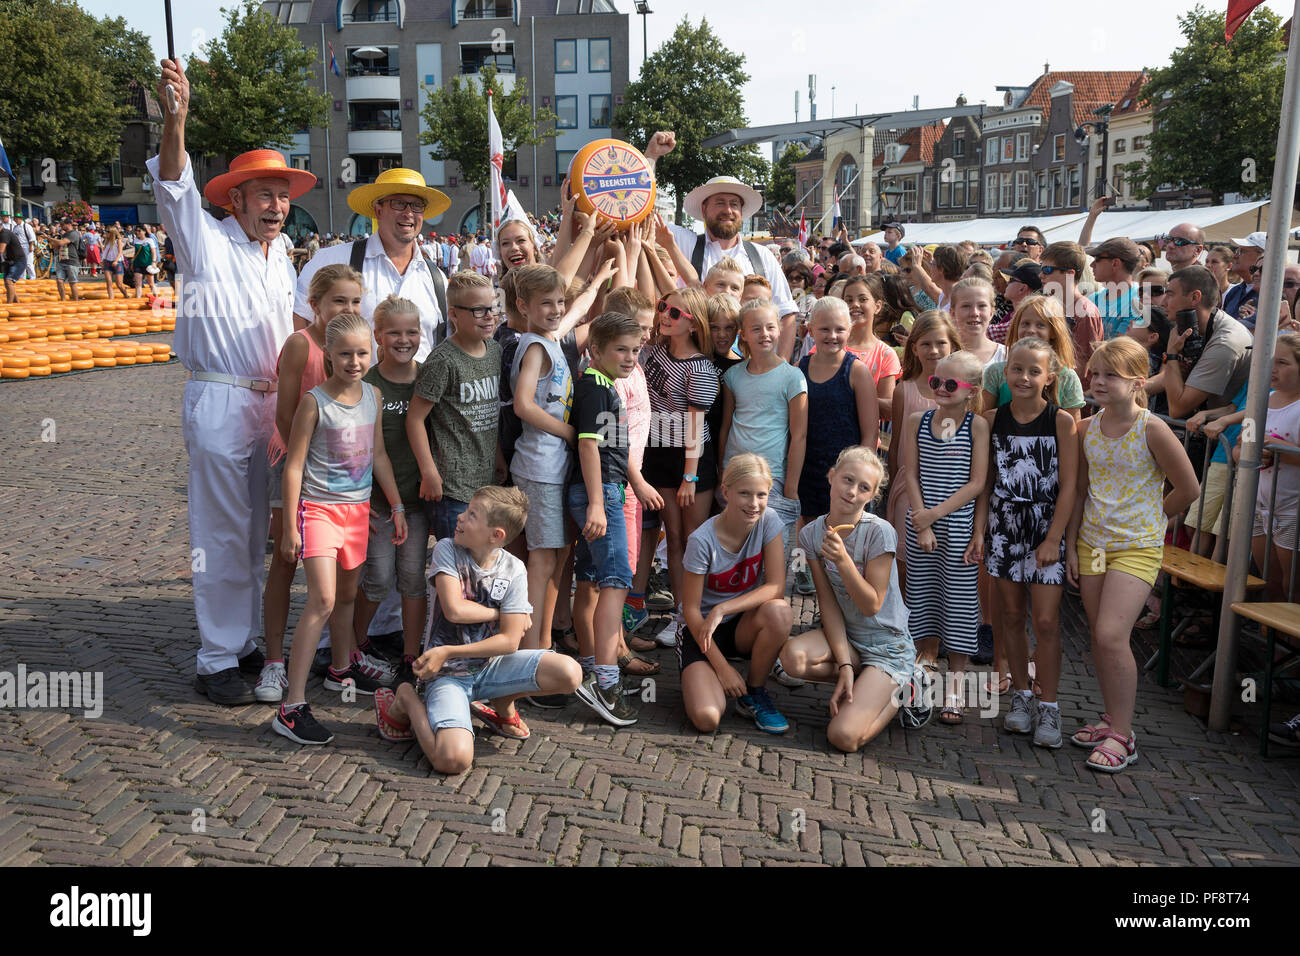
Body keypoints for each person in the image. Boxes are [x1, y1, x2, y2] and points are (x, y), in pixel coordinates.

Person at [148, 57, 317, 704]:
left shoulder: (281, 259)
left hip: (273, 407)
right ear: (236, 198)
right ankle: (217, 656)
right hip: (220, 396)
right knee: (220, 531)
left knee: (257, 531)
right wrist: (176, 119)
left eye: (283, 196)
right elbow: (173, 185)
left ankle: (245, 640)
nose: (277, 206)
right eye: (264, 194)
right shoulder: (204, 240)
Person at [273, 313, 409, 745]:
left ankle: (340, 668)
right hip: (318, 512)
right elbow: (293, 466)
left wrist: (398, 504)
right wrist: (290, 527)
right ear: (328, 354)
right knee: (323, 599)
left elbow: (380, 456)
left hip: (359, 512)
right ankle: (292, 705)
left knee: (348, 596)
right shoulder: (314, 402)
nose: (354, 361)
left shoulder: (372, 394)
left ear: (374, 352)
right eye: (345, 353)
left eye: (362, 353)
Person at [374, 487, 583, 767]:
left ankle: (501, 705)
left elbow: (510, 642)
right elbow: (455, 610)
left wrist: (450, 648)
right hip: (446, 675)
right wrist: (504, 613)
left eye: (472, 515)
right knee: (453, 761)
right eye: (466, 510)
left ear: (496, 535)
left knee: (570, 672)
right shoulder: (447, 549)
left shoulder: (515, 569)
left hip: (492, 667)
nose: (460, 517)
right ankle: (409, 699)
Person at [1066, 338, 1198, 772]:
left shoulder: (1152, 428)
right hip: (1094, 545)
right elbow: (1080, 492)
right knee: (1100, 636)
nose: (1098, 381)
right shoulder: (1084, 428)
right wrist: (1070, 545)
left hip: (1136, 548)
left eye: (1109, 375)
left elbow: (1189, 488)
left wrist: (1152, 520)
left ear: (1137, 382)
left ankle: (1123, 735)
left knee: (1110, 634)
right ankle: (1112, 720)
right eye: (1095, 373)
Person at [257, 263, 366, 703]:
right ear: (315, 303)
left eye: (355, 301)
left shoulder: (354, 347)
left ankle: (341, 659)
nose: (347, 308)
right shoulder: (301, 346)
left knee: (339, 571)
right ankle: (273, 662)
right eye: (339, 300)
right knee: (287, 559)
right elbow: (284, 415)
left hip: (339, 475)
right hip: (296, 465)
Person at [976, 338, 1077, 748]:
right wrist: (980, 530)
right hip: (1003, 526)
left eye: (1034, 371)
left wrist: (1054, 538)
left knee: (1048, 621)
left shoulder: (1061, 422)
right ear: (1004, 373)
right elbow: (984, 483)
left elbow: (1070, 485)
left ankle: (1049, 705)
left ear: (1049, 377)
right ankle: (1020, 696)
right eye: (1016, 369)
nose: (1024, 377)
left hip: (1044, 528)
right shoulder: (989, 419)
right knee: (1010, 617)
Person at [780, 447, 916, 751]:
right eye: (847, 480)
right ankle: (861, 678)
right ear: (832, 477)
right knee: (791, 658)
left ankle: (904, 689)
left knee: (842, 737)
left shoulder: (880, 533)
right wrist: (843, 665)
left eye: (863, 487)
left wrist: (843, 561)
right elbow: (828, 605)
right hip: (851, 642)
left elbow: (871, 605)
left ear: (872, 496)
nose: (852, 491)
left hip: (887, 646)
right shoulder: (811, 535)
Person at [568, 312, 653, 726]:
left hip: (603, 492)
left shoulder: (604, 386)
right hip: (600, 494)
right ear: (596, 350)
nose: (630, 357)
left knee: (592, 580)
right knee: (616, 581)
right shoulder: (595, 389)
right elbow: (589, 448)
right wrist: (600, 504)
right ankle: (605, 680)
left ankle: (591, 665)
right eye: (621, 349)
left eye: (635, 350)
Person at [901, 350, 989, 725]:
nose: (940, 388)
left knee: (958, 605)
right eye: (936, 381)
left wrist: (936, 517)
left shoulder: (978, 426)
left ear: (971, 390)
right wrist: (922, 523)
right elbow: (911, 474)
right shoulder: (916, 420)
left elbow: (978, 483)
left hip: (957, 528)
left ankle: (954, 687)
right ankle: (923, 674)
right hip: (921, 523)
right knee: (920, 600)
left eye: (951, 384)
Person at [679, 453, 795, 734]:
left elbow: (776, 587)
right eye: (744, 494)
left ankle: (754, 693)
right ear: (726, 492)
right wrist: (722, 668)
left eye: (761, 494)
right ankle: (709, 677)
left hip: (740, 625)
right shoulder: (701, 541)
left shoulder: (769, 521)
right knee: (708, 718)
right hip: (701, 632)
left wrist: (723, 609)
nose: (754, 504)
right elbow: (691, 611)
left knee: (780, 611)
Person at [352, 296, 430, 690]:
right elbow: (362, 450)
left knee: (414, 578)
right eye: (394, 332)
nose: (404, 339)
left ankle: (410, 654)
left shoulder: (427, 377)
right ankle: (355, 643)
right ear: (378, 336)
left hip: (417, 503)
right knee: (378, 578)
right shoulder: (369, 384)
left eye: (412, 331)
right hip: (380, 504)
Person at [295, 168, 451, 363]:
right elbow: (300, 325)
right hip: (354, 392)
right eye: (398, 203)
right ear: (378, 210)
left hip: (421, 392)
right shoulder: (333, 259)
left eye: (417, 205)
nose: (409, 213)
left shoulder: (436, 278)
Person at [641, 286, 719, 648]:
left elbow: (693, 425)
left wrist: (690, 476)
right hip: (656, 449)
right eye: (663, 307)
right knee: (672, 538)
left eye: (675, 313)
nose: (665, 315)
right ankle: (679, 614)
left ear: (692, 324)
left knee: (693, 539)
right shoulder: (652, 350)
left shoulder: (701, 367)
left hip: (689, 458)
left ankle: (695, 613)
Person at [661, 171, 801, 360]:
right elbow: (641, 209)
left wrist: (781, 370)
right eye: (720, 203)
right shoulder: (686, 243)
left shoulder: (762, 256)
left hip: (749, 374)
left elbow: (787, 314)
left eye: (734, 204)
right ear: (704, 210)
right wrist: (653, 155)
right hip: (690, 371)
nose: (728, 210)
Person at [797, 296, 880, 538]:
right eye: (824, 329)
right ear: (810, 329)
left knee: (845, 539)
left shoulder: (856, 371)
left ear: (850, 330)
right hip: (810, 470)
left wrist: (860, 477)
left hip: (847, 477)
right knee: (813, 539)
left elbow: (870, 432)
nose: (832, 335)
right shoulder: (800, 368)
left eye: (839, 329)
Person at [888, 311, 958, 592]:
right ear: (913, 348)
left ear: (952, 345)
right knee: (906, 560)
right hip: (908, 489)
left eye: (941, 343)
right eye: (926, 344)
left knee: (944, 565)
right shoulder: (903, 391)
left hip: (951, 490)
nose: (934, 350)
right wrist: (894, 489)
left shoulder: (963, 392)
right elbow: (895, 446)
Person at [1160, 265, 1252, 421]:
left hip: (1231, 436)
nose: (1163, 302)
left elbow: (1177, 409)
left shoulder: (1225, 343)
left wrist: (1172, 355)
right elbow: (1170, 379)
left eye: (1170, 295)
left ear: (1195, 297)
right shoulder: (1190, 326)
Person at [981, 296, 1085, 422]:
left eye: (1040, 325)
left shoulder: (1067, 377)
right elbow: (982, 422)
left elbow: (1074, 428)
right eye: (1025, 324)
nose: (1030, 330)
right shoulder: (996, 372)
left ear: (1053, 331)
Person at [840, 275, 901, 420]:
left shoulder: (885, 354)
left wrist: (849, 397)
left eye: (863, 299)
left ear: (877, 306)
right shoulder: (829, 345)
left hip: (864, 438)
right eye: (849, 300)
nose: (854, 304)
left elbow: (888, 410)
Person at [1039, 241, 1104, 380]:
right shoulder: (1048, 304)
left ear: (1070, 274)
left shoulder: (1085, 311)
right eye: (1041, 268)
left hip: (1069, 392)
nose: (1041, 275)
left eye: (1047, 270)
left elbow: (1082, 365)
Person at [1087, 236, 1142, 340]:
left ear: (1115, 263)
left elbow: (1118, 350)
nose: (1091, 264)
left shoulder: (1139, 302)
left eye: (1097, 259)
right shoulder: (1093, 298)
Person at [990, 260, 1041, 344]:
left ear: (1022, 288)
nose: (1007, 282)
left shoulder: (1027, 315)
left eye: (1011, 279)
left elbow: (987, 333)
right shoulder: (1012, 313)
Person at [49, 220, 83, 301]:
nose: (61, 226)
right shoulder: (64, 234)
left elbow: (61, 243)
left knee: (72, 283)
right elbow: (57, 246)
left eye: (62, 224)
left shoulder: (74, 233)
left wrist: (49, 238)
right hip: (62, 260)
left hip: (71, 261)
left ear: (68, 224)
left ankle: (76, 301)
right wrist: (53, 242)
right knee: (59, 281)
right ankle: (63, 300)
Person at [99, 226, 131, 299]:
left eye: (107, 232)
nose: (106, 233)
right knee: (109, 283)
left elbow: (120, 252)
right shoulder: (107, 241)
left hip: (117, 263)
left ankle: (126, 295)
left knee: (119, 284)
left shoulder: (118, 241)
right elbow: (105, 252)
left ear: (112, 233)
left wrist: (116, 261)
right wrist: (102, 261)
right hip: (108, 262)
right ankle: (111, 299)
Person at [0, 220, 25, 303]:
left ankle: (9, 304)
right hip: (9, 261)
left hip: (18, 261)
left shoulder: (4, 234)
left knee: (9, 280)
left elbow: (1, 250)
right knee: (7, 282)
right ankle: (16, 302)